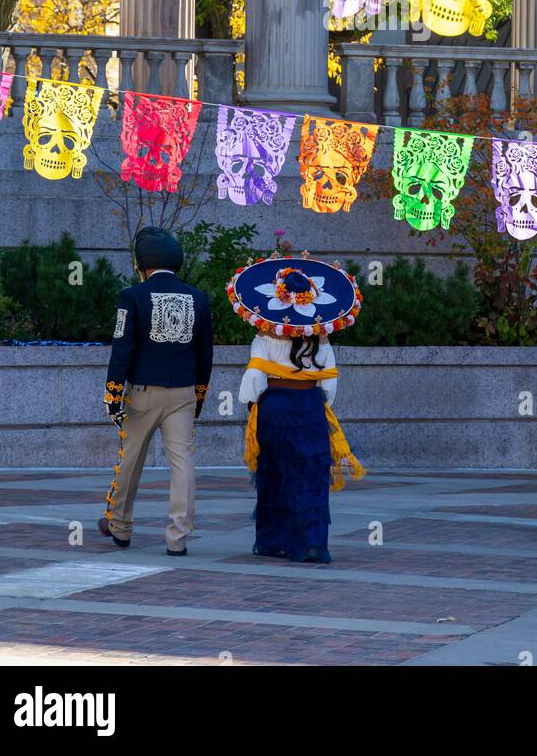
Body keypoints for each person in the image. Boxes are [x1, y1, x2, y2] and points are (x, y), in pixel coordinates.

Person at [227, 255, 366, 564]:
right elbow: (329, 384)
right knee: (312, 475)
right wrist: (318, 404)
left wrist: (250, 404)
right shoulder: (322, 339)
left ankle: (274, 541)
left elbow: (253, 379)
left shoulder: (264, 336)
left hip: (274, 406)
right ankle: (314, 543)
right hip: (310, 406)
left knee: (274, 473)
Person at [98, 225, 213, 556]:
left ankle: (120, 526)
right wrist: (199, 396)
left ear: (141, 264)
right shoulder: (199, 298)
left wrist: (113, 394)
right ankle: (178, 537)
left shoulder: (131, 297)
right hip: (184, 393)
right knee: (183, 465)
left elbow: (122, 349)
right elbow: (205, 354)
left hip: (142, 392)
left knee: (131, 459)